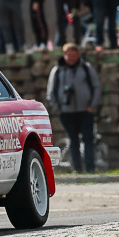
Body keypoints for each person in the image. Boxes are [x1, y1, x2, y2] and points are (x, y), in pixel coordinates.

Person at [46, 43, 101, 173]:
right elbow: (51, 92)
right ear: (64, 55)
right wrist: (58, 108)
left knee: (88, 139)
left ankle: (90, 169)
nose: (71, 58)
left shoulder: (86, 68)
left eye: (74, 55)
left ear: (78, 55)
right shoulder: (57, 71)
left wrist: (91, 106)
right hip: (66, 112)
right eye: (69, 55)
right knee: (73, 140)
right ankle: (77, 169)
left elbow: (96, 87)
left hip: (85, 111)